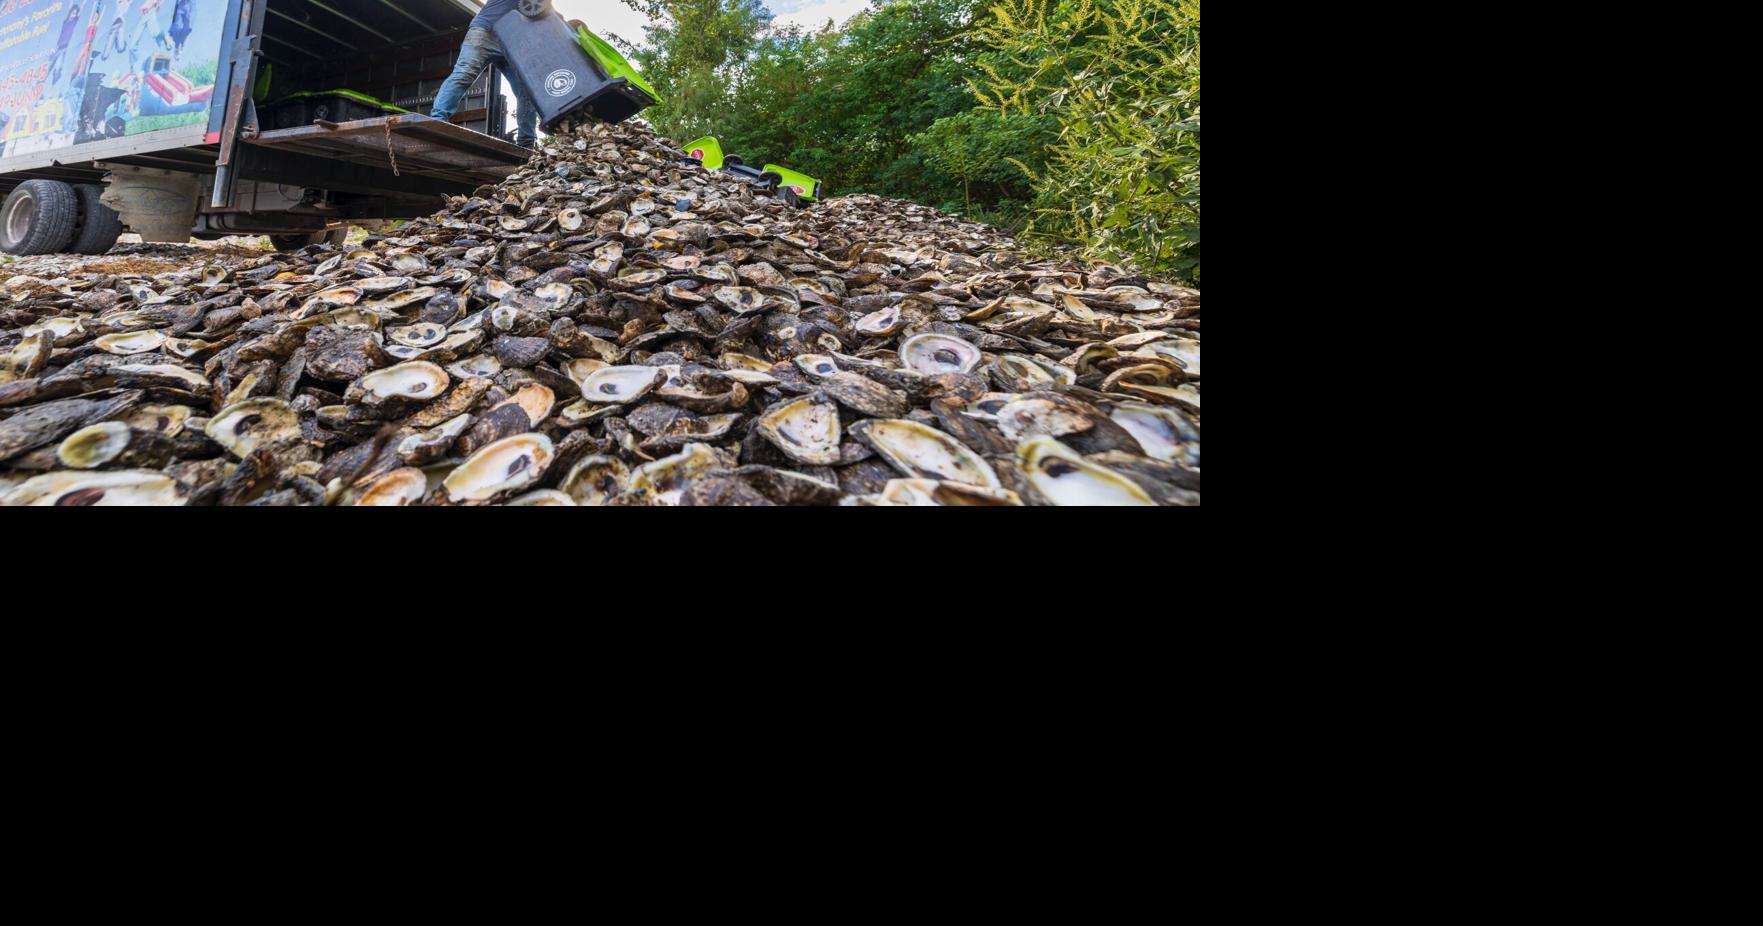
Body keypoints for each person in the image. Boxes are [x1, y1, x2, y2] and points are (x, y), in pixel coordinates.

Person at [430, 0, 539, 149]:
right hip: (485, 33)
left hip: (511, 43)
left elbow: (545, 14)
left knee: (527, 90)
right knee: (465, 74)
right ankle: (438, 120)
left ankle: (527, 142)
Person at [48, 5, 82, 87]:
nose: (73, 15)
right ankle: (43, 79)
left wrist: (83, 3)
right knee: (50, 64)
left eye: (75, 13)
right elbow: (69, 6)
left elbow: (80, 11)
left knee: (58, 66)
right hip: (58, 46)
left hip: (64, 47)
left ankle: (54, 80)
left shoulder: (74, 22)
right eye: (72, 13)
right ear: (70, 13)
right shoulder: (65, 21)